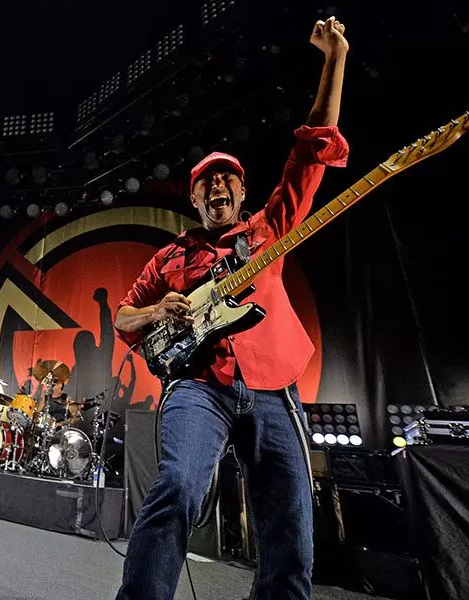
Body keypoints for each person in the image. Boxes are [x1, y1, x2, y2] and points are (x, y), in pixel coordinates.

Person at [112, 17, 350, 600]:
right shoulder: (168, 257)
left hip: (273, 386)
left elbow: (311, 151)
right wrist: (159, 310)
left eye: (227, 180)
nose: (217, 187)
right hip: (198, 385)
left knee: (290, 529)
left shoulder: (268, 229)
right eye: (205, 183)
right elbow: (122, 317)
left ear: (241, 194)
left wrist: (334, 61)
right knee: (176, 490)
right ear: (194, 199)